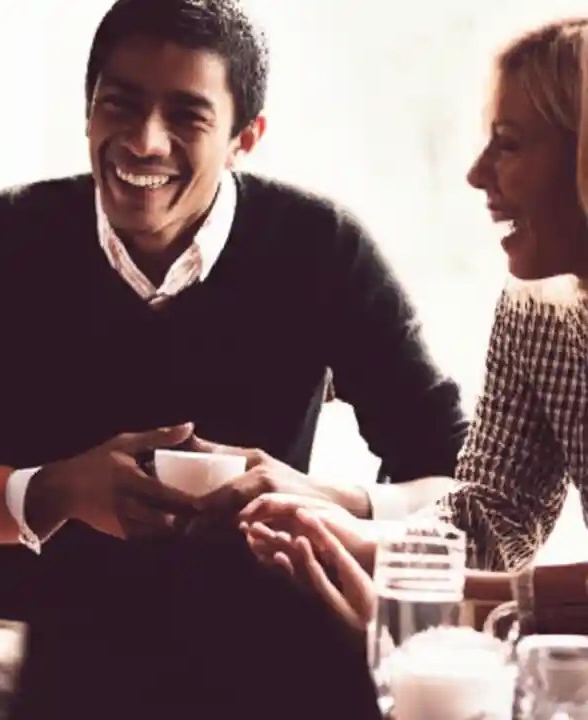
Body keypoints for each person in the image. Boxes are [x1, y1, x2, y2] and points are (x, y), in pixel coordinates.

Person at [0, 0, 464, 715]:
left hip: (267, 663)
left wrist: (319, 498)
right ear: (88, 113)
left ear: (245, 137)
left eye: (186, 116)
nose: (144, 141)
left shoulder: (320, 248)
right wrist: (61, 490)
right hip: (37, 657)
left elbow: (455, 489)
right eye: (119, 106)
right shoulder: (10, 238)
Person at [241, 15, 588, 635]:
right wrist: (344, 535)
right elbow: (493, 514)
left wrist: (416, 584)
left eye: (507, 144)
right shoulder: (534, 308)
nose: (477, 174)